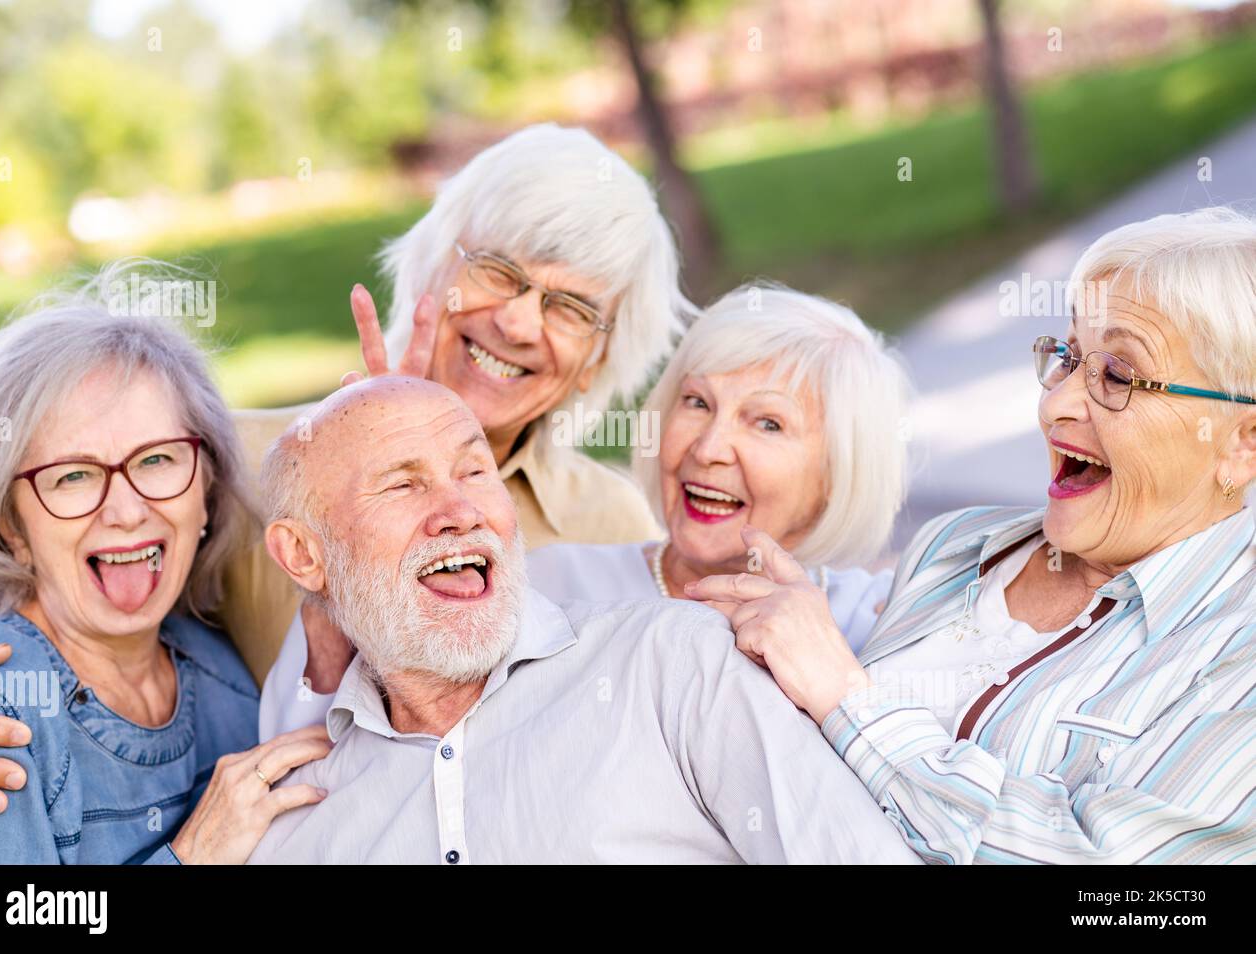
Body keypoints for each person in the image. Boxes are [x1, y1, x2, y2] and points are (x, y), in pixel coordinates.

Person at [688, 207, 1256, 863]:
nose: (1058, 403)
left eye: (1119, 377)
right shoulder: (954, 546)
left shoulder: (1235, 657)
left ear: (1242, 443)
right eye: (1069, 358)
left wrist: (847, 700)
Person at [247, 374, 918, 863]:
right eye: (402, 483)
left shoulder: (675, 663)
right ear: (304, 555)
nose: (461, 510)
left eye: (475, 471)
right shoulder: (296, 820)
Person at [260, 283, 912, 736]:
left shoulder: (872, 628)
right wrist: (355, 504)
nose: (710, 447)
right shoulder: (550, 583)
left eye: (768, 424)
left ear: (836, 475)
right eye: (697, 404)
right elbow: (320, 757)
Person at [221, 122, 694, 685]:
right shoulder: (236, 466)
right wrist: (368, 447)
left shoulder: (614, 523)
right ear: (433, 262)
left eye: (570, 307)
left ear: (597, 360)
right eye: (497, 270)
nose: (518, 323)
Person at [0, 263, 328, 860]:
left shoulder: (220, 670)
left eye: (156, 460)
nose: (126, 511)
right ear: (12, 528)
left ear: (206, 488)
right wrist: (193, 854)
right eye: (72, 475)